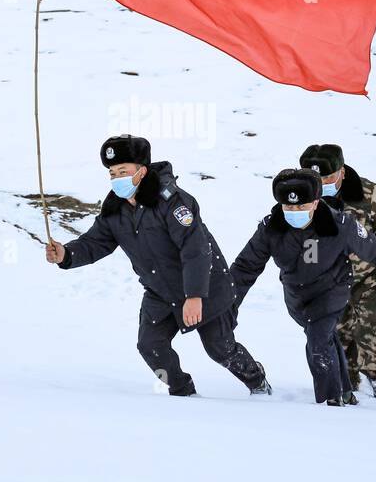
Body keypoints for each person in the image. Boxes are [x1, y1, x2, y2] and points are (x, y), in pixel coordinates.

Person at [45, 134, 271, 398]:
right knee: (150, 345)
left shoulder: (174, 202)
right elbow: (96, 242)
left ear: (141, 171)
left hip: (205, 286)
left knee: (220, 349)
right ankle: (183, 392)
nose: (117, 177)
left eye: (123, 171)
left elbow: (195, 249)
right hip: (160, 290)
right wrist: (66, 254)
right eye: (112, 172)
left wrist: (195, 295)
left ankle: (257, 381)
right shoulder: (114, 209)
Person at [230, 168, 376, 406]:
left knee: (318, 340)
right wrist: (228, 301)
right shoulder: (270, 228)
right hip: (296, 296)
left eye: (301, 207)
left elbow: (372, 248)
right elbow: (245, 266)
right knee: (324, 337)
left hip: (332, 289)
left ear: (315, 202)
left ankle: (330, 402)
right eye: (289, 207)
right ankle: (345, 391)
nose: (294, 212)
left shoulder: (340, 224)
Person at [300, 144, 376, 401]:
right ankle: (349, 380)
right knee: (338, 332)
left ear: (342, 172)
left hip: (368, 276)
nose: (321, 183)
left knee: (374, 326)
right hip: (328, 279)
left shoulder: (369, 195)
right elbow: (299, 241)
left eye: (327, 177)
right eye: (316, 179)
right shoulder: (299, 196)